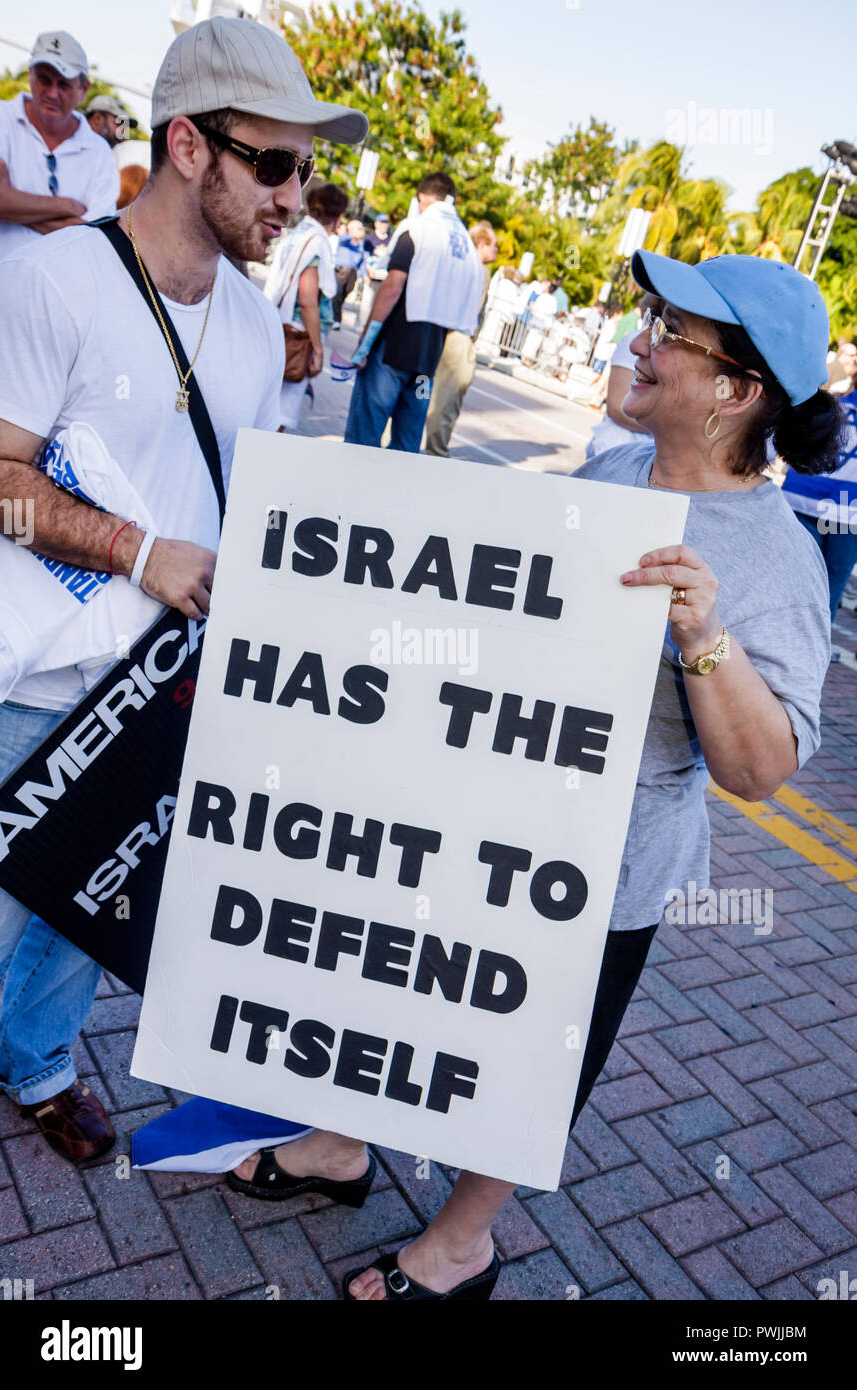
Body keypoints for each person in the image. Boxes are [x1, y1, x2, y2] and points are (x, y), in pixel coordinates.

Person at [229, 251, 836, 1302]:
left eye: (667, 333)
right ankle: (340, 1145)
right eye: (648, 316)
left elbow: (756, 771)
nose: (635, 342)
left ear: (732, 393)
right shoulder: (610, 476)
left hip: (598, 874)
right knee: (407, 997)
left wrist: (703, 636)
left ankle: (462, 1243)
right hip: (483, 824)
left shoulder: (773, 555)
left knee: (525, 1066)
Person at [0, 15, 366, 1164]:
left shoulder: (257, 326)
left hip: (167, 689)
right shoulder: (55, 277)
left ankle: (39, 1061)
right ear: (189, 146)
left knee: (91, 910)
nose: (296, 195)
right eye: (273, 163)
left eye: (308, 169)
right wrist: (131, 549)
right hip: (33, 680)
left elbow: (253, 506)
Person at [343, 171, 483, 453]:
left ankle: (350, 491)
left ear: (422, 197)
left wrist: (365, 343)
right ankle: (395, 496)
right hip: (428, 359)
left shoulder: (418, 228)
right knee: (407, 442)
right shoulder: (465, 242)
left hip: (393, 346)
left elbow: (393, 286)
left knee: (363, 438)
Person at [0, 30, 118, 268]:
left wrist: (10, 202)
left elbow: (93, 237)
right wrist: (66, 206)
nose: (52, 93)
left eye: (63, 84)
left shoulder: (99, 152)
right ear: (30, 75)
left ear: (83, 88)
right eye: (44, 79)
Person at [264, 181, 349, 430]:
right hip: (298, 335)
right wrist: (318, 348)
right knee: (279, 416)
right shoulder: (317, 242)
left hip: (277, 324)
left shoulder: (299, 233)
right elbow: (309, 298)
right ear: (338, 216)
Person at [782, 385, 857, 623]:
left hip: (803, 497)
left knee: (796, 580)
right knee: (829, 585)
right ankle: (810, 652)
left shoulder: (834, 403)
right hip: (842, 508)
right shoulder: (835, 401)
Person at [424, 220, 498, 455]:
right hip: (457, 338)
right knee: (446, 404)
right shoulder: (480, 270)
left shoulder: (457, 262)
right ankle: (436, 455)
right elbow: (473, 309)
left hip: (439, 332)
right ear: (482, 244)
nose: (496, 250)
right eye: (493, 245)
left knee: (422, 394)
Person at [586, 295, 654, 457]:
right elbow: (617, 408)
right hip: (616, 449)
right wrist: (668, 432)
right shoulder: (637, 339)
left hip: (642, 455)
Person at [332, 217, 367, 326]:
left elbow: (363, 261)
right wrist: (352, 233)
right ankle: (336, 319)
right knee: (338, 294)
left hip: (352, 273)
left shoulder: (360, 246)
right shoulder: (344, 240)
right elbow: (341, 239)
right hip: (341, 269)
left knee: (346, 292)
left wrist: (364, 274)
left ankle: (334, 314)